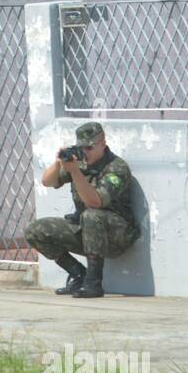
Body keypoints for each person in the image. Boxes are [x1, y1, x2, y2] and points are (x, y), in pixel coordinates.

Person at [24, 121, 139, 298]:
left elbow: (95, 201)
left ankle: (93, 283)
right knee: (35, 230)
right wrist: (59, 163)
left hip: (117, 235)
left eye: (89, 147)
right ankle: (78, 274)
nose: (85, 152)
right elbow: (48, 181)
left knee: (91, 215)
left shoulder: (117, 168)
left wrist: (75, 173)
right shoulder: (81, 164)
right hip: (88, 230)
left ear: (102, 144)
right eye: (81, 147)